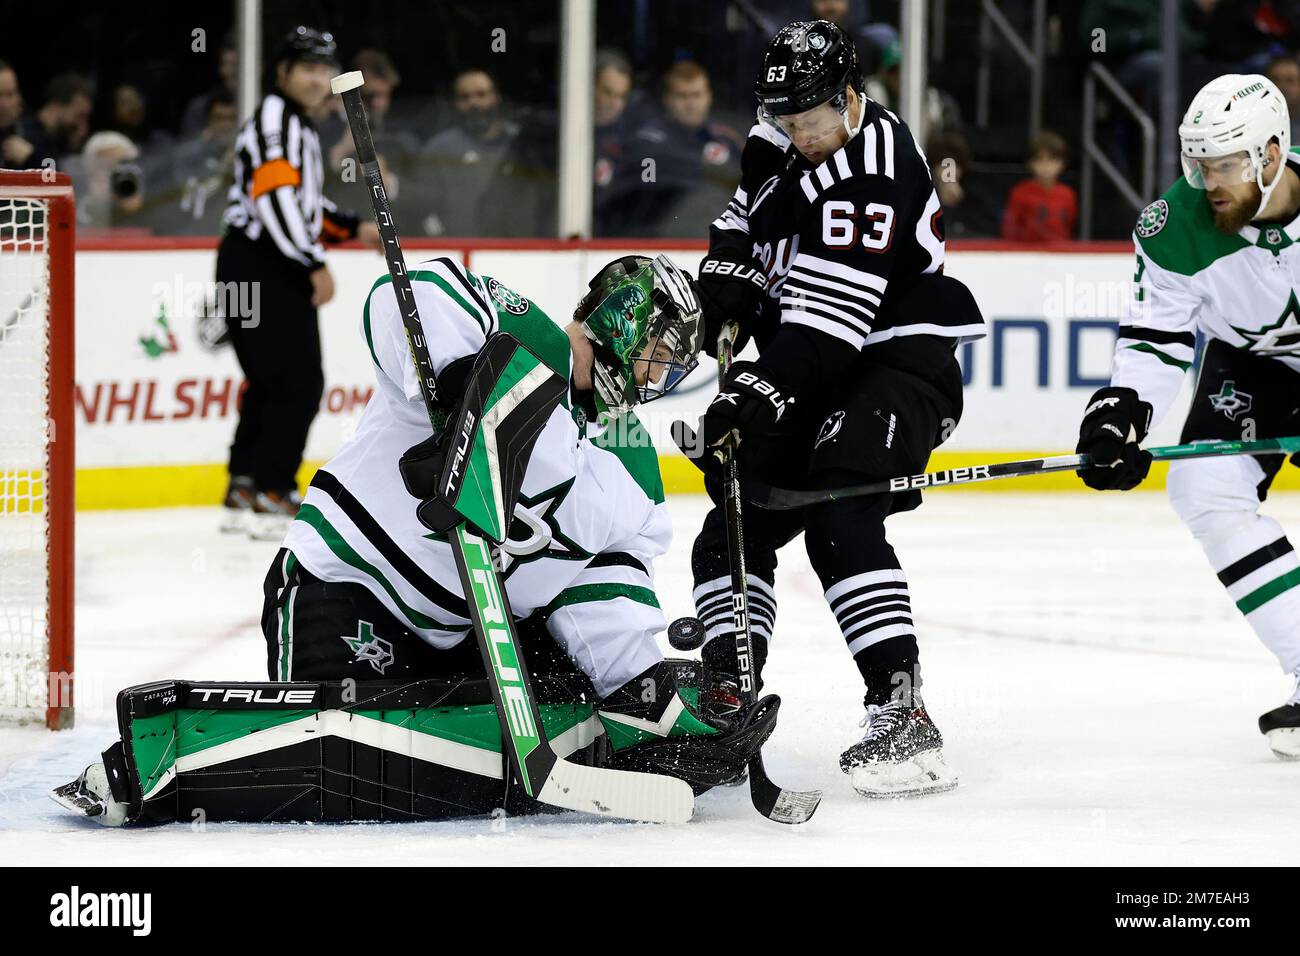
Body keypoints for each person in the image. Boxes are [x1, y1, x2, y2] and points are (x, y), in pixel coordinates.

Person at [263, 252, 760, 777]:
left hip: (473, 641)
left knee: (571, 693)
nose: (659, 378)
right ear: (624, 320)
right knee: (339, 762)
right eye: (658, 355)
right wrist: (460, 381)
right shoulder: (523, 334)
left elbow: (605, 582)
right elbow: (406, 291)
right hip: (350, 588)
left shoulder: (629, 453)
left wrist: (641, 695)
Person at [685, 19, 986, 799]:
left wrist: (758, 390)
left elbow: (829, 326)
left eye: (811, 122)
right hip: (814, 354)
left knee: (840, 513)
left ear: (851, 99)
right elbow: (745, 221)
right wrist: (726, 275)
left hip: (895, 358)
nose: (799, 136)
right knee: (733, 523)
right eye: (786, 122)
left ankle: (901, 708)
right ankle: (727, 692)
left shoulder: (875, 170)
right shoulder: (782, 129)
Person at [1075, 72, 1300, 760]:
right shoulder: (1175, 228)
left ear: (1269, 154)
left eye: (1224, 164)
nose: (1208, 182)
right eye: (1197, 164)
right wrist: (1119, 414)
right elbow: (1156, 336)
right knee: (1204, 486)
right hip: (1253, 366)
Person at [218, 26, 364, 536]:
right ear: (282, 72)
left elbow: (301, 205)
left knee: (271, 380)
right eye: (307, 68)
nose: (318, 79)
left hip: (255, 260)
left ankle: (244, 486)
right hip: (263, 263)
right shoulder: (277, 124)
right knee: (298, 382)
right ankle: (273, 489)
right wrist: (311, 263)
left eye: (325, 69)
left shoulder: (295, 124)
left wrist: (347, 227)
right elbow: (276, 204)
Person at [596, 61, 743, 238]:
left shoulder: (727, 140)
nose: (691, 104)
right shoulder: (645, 139)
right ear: (668, 99)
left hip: (714, 241)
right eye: (682, 96)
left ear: (708, 97)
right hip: (657, 239)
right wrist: (704, 168)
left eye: (696, 95)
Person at [418, 68, 520, 236]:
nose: (474, 103)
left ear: (496, 98)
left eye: (481, 95)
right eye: (465, 97)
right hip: (453, 249)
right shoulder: (439, 148)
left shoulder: (518, 145)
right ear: (455, 103)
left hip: (512, 251)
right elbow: (423, 205)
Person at [1, 72, 93, 170]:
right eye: (79, 116)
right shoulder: (21, 132)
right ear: (58, 106)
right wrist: (31, 158)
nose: (82, 124)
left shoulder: (62, 140)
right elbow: (55, 177)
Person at [1000, 131, 1078, 242]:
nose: (1046, 166)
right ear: (1031, 163)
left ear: (1062, 163)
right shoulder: (1020, 193)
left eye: (1052, 160)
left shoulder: (1068, 194)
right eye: (1040, 160)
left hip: (1060, 252)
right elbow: (1010, 230)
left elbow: (1069, 225)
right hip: (1028, 253)